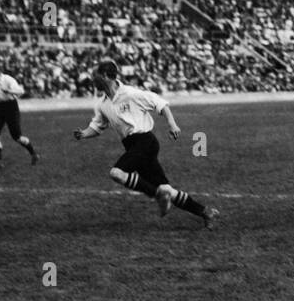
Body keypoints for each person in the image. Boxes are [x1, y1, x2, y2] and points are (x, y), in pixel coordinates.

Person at [72, 60, 218, 228]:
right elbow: (97, 127)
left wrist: (172, 124)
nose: (92, 79)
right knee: (167, 189)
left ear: (105, 76)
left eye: (95, 75)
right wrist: (83, 134)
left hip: (145, 141)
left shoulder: (130, 93)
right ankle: (206, 212)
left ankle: (158, 195)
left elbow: (160, 103)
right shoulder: (102, 104)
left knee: (116, 173)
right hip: (132, 146)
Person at [0, 65, 39, 167]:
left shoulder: (8, 79)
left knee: (17, 137)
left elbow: (21, 91)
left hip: (11, 107)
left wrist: (9, 91)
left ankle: (33, 154)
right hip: (0, 108)